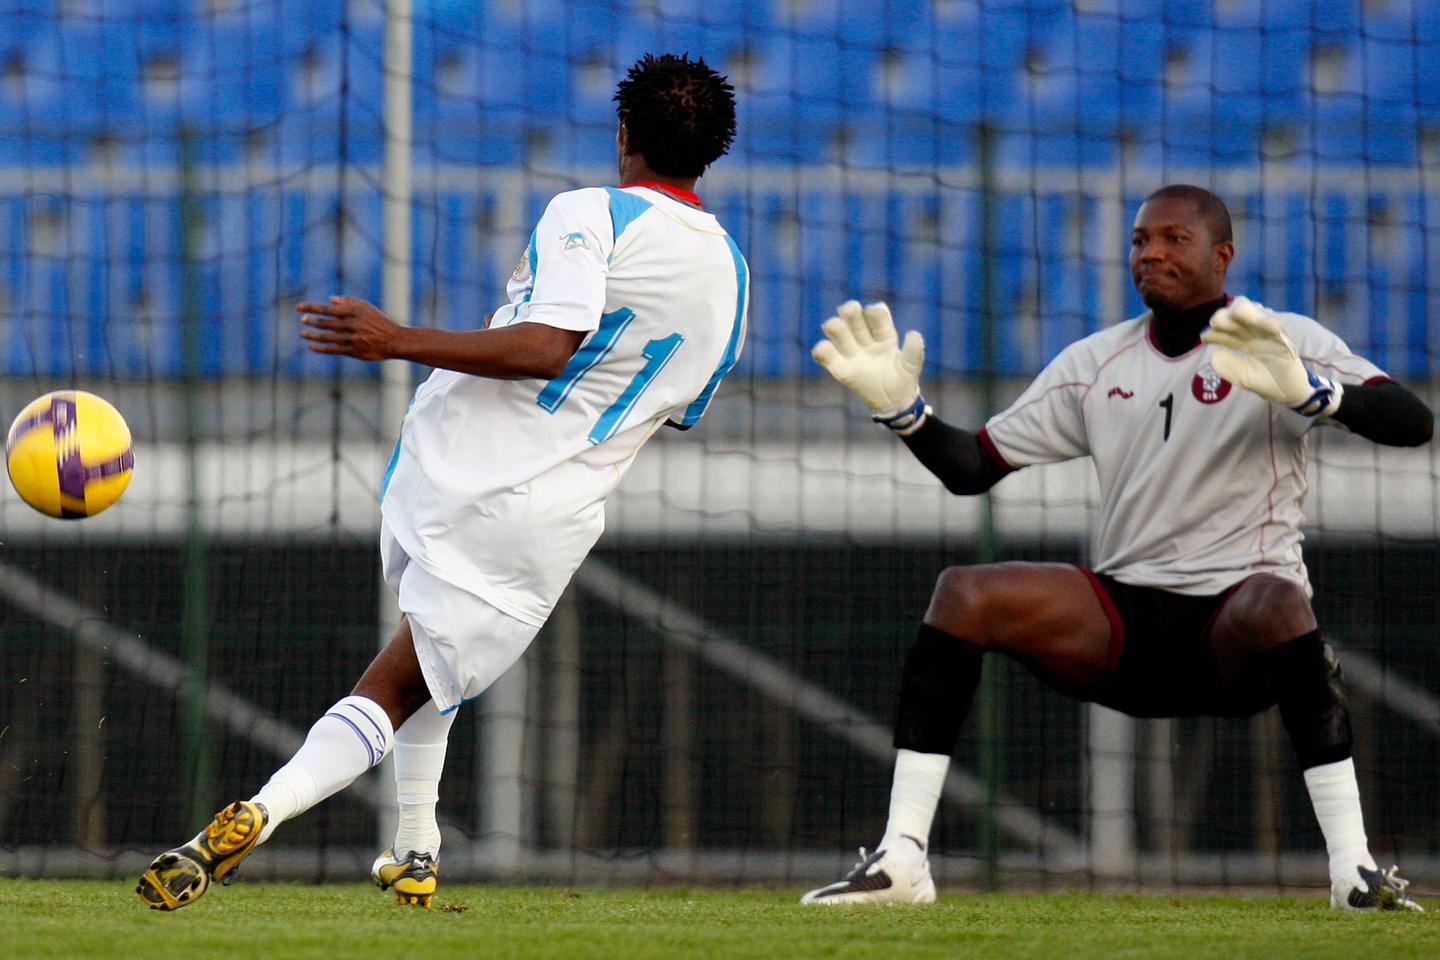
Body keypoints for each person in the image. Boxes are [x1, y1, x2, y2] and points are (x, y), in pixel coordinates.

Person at [136, 53, 747, 912]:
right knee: (414, 672)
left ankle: (410, 846)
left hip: (454, 463)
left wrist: (396, 339)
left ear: (624, 135)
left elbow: (547, 345)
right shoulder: (733, 275)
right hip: (544, 511)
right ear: (713, 152)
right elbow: (670, 409)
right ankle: (261, 817)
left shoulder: (591, 211)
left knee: (424, 663)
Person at [800, 184, 1432, 911]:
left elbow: (1413, 423)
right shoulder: (1095, 361)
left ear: (1222, 256)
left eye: (1174, 239)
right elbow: (973, 467)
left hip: (1238, 635)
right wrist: (904, 413)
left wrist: (1316, 395)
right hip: (1127, 630)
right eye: (1139, 240)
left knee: (1279, 601)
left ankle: (1353, 872)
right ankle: (902, 859)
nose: (1151, 253)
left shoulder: (1283, 339)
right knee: (964, 592)